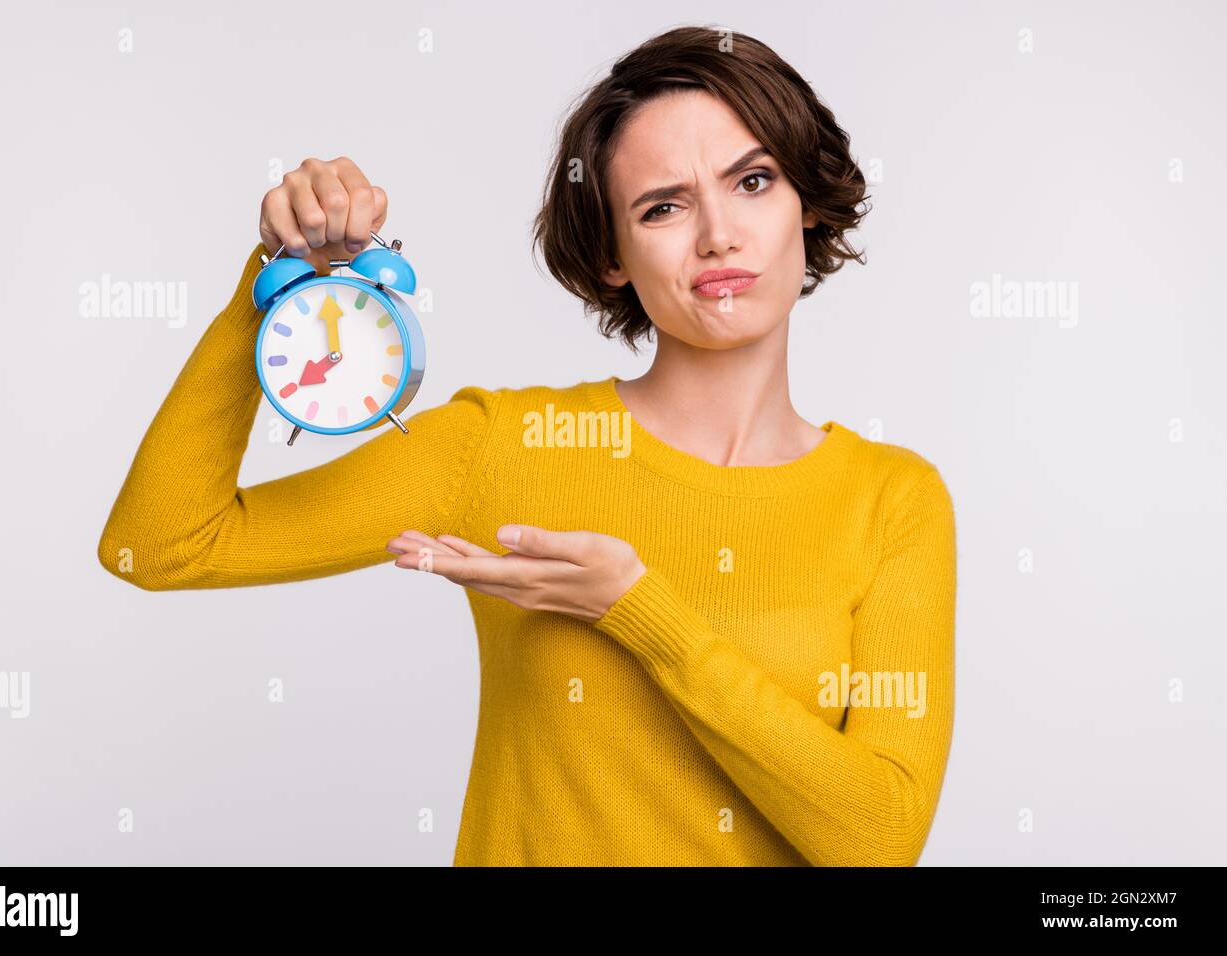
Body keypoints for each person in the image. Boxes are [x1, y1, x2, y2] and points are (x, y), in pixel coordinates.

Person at [98, 24, 957, 866]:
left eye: (754, 181)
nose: (718, 236)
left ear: (804, 202)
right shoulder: (501, 448)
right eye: (663, 206)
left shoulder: (892, 500)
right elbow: (161, 544)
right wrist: (277, 278)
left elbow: (878, 842)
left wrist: (639, 611)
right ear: (613, 253)